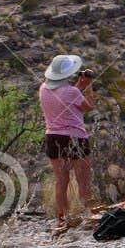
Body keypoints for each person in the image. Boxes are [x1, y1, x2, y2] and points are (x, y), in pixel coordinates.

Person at [39, 54, 98, 235]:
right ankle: (88, 216)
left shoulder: (42, 89)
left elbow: (65, 97)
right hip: (75, 138)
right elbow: (88, 107)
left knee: (61, 180)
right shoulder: (72, 92)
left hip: (53, 137)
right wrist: (87, 88)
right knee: (83, 180)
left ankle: (61, 220)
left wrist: (79, 87)